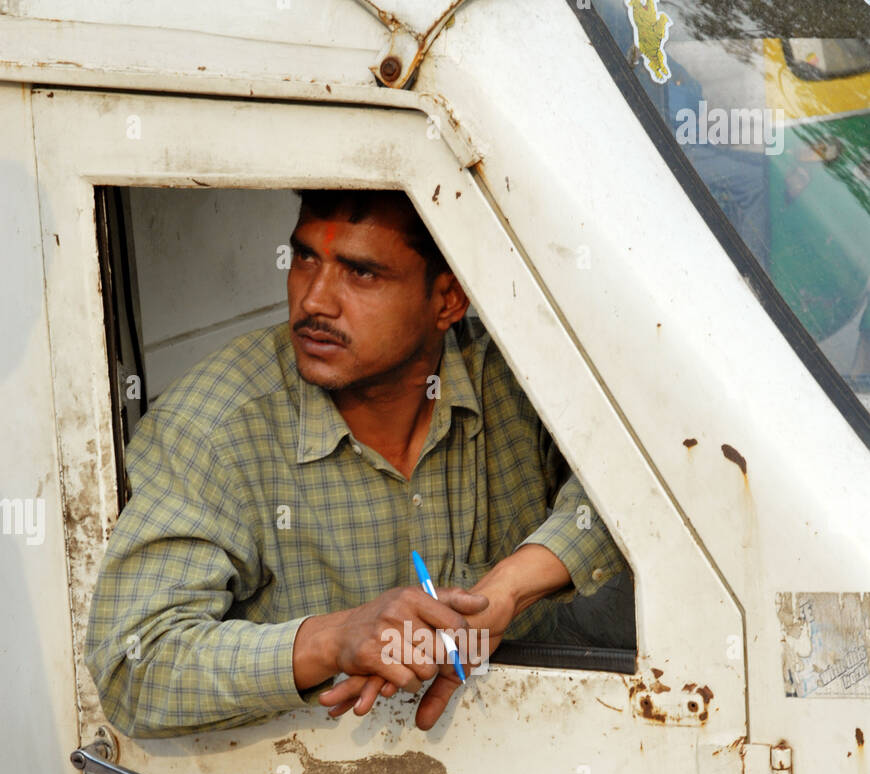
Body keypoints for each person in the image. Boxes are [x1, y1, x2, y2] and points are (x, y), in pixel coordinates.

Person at [85, 190, 626, 738]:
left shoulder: (516, 372)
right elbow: (135, 664)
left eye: (361, 273)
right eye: (304, 259)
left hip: (538, 746)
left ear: (447, 300)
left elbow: (643, 478)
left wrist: (509, 589)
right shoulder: (213, 427)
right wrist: (334, 639)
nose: (315, 301)